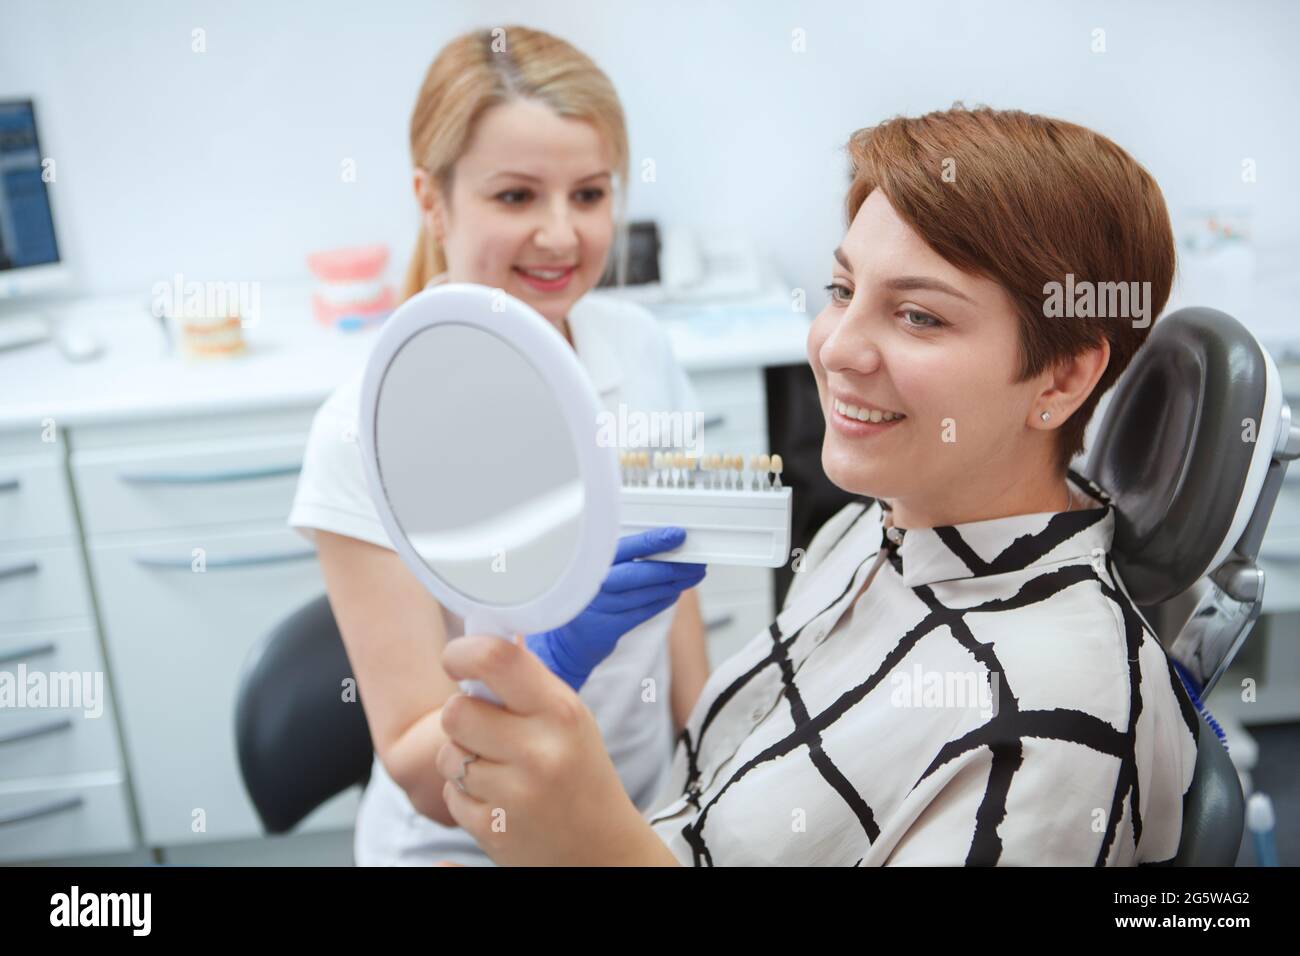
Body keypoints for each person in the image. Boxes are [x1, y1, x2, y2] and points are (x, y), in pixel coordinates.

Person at [433, 105, 1202, 866]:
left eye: (918, 316)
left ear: (1062, 378)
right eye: (841, 289)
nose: (836, 349)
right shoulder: (872, 528)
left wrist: (597, 848)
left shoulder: (1051, 720)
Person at [288, 25, 709, 866]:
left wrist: (706, 779)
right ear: (432, 201)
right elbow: (418, 770)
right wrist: (541, 666)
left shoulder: (638, 349)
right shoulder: (360, 432)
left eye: (589, 194)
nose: (561, 235)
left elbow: (681, 632)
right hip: (466, 844)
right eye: (516, 197)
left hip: (638, 819)